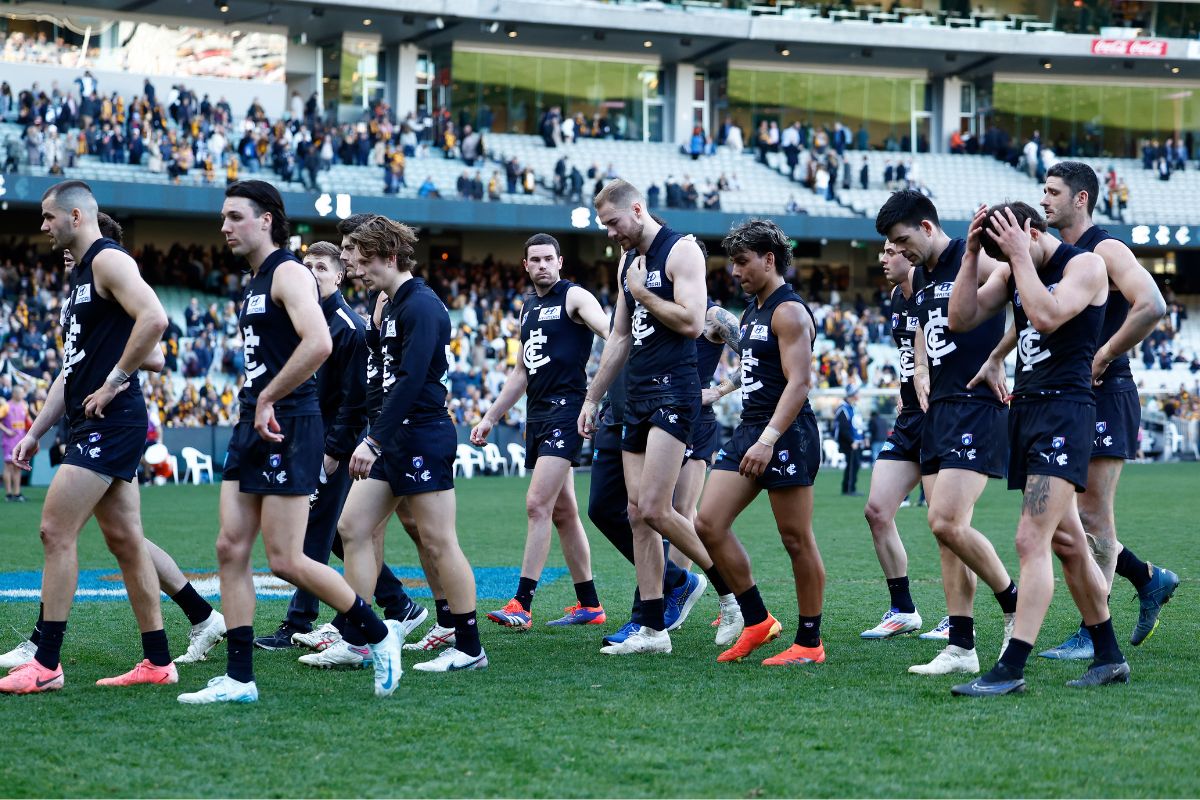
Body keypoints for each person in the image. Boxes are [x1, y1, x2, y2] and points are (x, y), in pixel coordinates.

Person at [177, 181, 402, 704]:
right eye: (223, 218)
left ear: (267, 220)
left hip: (288, 423)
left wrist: (268, 398)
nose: (225, 227)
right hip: (253, 421)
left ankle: (377, 634)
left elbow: (318, 343)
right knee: (229, 547)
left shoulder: (289, 273)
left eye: (235, 217)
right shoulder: (255, 280)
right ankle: (239, 679)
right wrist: (257, 402)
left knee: (286, 559)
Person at [0, 180, 176, 695]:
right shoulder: (81, 276)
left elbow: (157, 320)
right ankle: (159, 661)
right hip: (91, 421)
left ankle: (46, 662)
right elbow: (70, 370)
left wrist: (115, 380)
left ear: (76, 216)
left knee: (55, 530)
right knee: (126, 543)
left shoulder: (108, 261)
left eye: (48, 216)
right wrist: (35, 432)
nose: (43, 225)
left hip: (111, 421)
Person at [946, 201, 1129, 695]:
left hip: (1064, 415)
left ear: (1030, 230)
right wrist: (970, 255)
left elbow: (1047, 316)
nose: (1002, 258)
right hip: (1026, 414)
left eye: (1008, 244)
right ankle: (1109, 656)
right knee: (1068, 544)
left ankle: (1012, 667)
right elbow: (959, 319)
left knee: (1031, 540)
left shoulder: (1086, 265)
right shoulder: (1011, 272)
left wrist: (1017, 257)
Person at [580, 179, 735, 656]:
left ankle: (734, 597)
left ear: (638, 209)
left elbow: (692, 321)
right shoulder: (630, 262)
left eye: (613, 222)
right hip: (636, 397)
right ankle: (652, 629)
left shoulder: (681, 250)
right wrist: (592, 397)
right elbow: (620, 339)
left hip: (676, 391)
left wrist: (642, 293)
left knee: (656, 508)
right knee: (635, 515)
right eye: (605, 225)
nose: (610, 233)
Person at [1030, 162, 1177, 659]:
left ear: (1081, 200)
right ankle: (1147, 577)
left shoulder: (1105, 248)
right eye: (1043, 190)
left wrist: (1105, 353)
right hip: (1069, 394)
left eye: (1054, 192)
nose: (1044, 199)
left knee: (1090, 514)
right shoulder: (1058, 258)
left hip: (1106, 391)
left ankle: (1096, 632)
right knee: (1067, 519)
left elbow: (1151, 304)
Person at [254, 241, 427, 656]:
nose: (311, 273)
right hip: (308, 439)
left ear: (339, 275)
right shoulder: (304, 318)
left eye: (320, 267)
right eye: (306, 266)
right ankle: (399, 604)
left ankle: (298, 621)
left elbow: (353, 399)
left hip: (336, 444)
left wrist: (334, 450)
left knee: (312, 531)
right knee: (333, 535)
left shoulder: (347, 326)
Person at [875, 190, 1019, 677]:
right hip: (938, 410)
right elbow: (922, 326)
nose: (898, 251)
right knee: (946, 536)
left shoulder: (968, 255)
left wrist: (1000, 355)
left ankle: (1015, 604)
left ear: (928, 227)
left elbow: (1018, 286)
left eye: (902, 240)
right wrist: (918, 368)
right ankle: (961, 646)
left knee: (946, 522)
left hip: (976, 404)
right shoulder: (925, 276)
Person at [335, 214, 487, 673]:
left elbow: (411, 379)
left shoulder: (420, 305)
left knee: (439, 541)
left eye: (365, 262)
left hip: (419, 433)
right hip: (394, 435)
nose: (357, 270)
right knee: (353, 529)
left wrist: (374, 440)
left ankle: (470, 647)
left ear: (391, 257)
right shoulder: (394, 305)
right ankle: (359, 638)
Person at [694, 218, 826, 665]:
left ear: (769, 260)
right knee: (707, 522)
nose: (734, 271)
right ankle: (757, 620)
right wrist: (721, 390)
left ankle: (810, 643)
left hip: (786, 433)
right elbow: (755, 364)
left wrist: (769, 439)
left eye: (742, 262)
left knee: (795, 539)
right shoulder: (755, 308)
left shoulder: (788, 311)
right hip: (752, 428)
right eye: (732, 262)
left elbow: (800, 381)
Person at [472, 234, 610, 629]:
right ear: (526, 265)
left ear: (560, 262)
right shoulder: (528, 306)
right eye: (536, 260)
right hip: (538, 415)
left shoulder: (576, 298)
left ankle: (522, 603)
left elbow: (614, 338)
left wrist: (595, 397)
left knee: (537, 505)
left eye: (549, 258)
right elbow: (521, 372)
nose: (543, 265)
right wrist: (490, 417)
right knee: (564, 513)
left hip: (567, 412)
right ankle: (591, 605)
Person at [860, 241, 931, 639]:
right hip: (908, 419)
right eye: (881, 250)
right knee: (877, 510)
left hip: (941, 418)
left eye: (891, 251)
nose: (883, 258)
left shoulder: (934, 288)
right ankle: (903, 609)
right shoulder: (895, 297)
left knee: (948, 524)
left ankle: (960, 618)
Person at [1, 383, 29, 501]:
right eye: (21, 392)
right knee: (8, 466)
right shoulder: (6, 406)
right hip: (9, 440)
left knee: (18, 466)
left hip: (20, 439)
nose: (23, 394)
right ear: (14, 393)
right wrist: (7, 430)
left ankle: (17, 493)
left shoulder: (24, 405)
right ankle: (8, 494)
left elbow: (28, 421)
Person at [834, 384, 863, 495]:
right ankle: (849, 489)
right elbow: (844, 428)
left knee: (855, 465)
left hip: (855, 442)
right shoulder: (843, 409)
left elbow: (857, 425)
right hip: (849, 443)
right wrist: (851, 441)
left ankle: (851, 487)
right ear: (852, 395)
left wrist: (862, 438)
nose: (859, 395)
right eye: (857, 392)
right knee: (852, 465)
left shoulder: (853, 408)